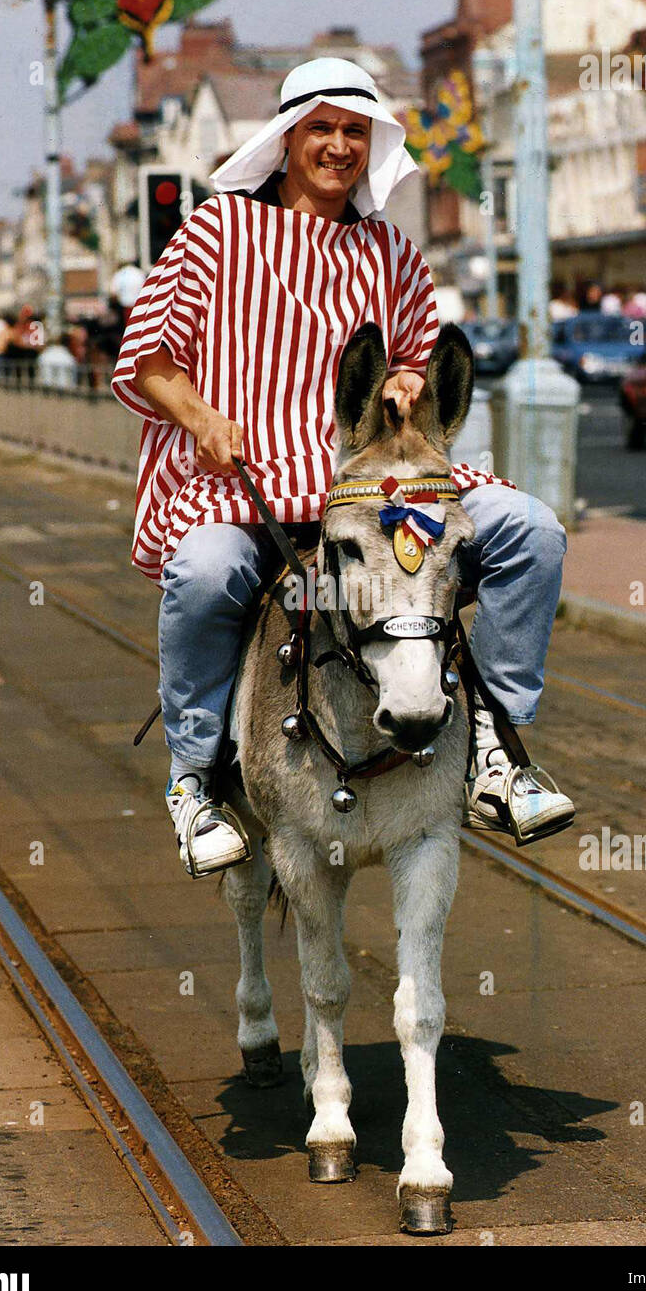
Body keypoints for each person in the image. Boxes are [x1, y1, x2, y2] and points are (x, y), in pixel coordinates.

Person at [111, 58, 575, 875]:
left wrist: (406, 383)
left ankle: (498, 747)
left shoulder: (391, 252)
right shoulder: (216, 231)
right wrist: (203, 418)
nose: (337, 146)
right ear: (285, 138)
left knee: (530, 533)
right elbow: (146, 358)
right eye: (320, 129)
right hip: (250, 479)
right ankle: (192, 782)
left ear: (373, 143)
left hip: (371, 488)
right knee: (205, 573)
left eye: (354, 131)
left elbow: (414, 362)